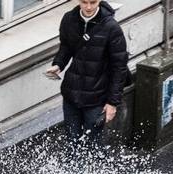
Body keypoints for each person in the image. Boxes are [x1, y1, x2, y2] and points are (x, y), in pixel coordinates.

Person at [46, 0, 130, 144]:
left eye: (93, 2)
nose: (89, 7)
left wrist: (112, 103)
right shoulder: (69, 19)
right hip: (72, 93)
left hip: (97, 97)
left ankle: (96, 167)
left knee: (93, 144)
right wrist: (58, 65)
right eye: (84, 2)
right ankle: (72, 167)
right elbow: (66, 47)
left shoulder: (111, 28)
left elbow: (119, 68)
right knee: (72, 141)